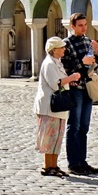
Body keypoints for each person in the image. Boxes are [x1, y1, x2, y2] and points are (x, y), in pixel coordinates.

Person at [59, 12, 98, 176]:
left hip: (87, 88)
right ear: (72, 26)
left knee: (84, 127)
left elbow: (94, 67)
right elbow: (64, 68)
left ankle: (82, 161)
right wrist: (81, 63)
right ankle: (73, 163)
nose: (84, 28)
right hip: (75, 89)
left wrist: (96, 55)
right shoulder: (66, 44)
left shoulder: (88, 41)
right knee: (74, 126)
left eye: (85, 25)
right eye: (80, 25)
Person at [36, 36, 82, 178]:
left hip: (58, 107)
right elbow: (55, 83)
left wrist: (69, 82)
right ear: (54, 50)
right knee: (49, 138)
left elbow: (61, 81)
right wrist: (72, 78)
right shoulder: (49, 63)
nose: (64, 49)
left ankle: (54, 165)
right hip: (49, 107)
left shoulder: (57, 62)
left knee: (57, 137)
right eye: (61, 47)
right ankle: (47, 166)